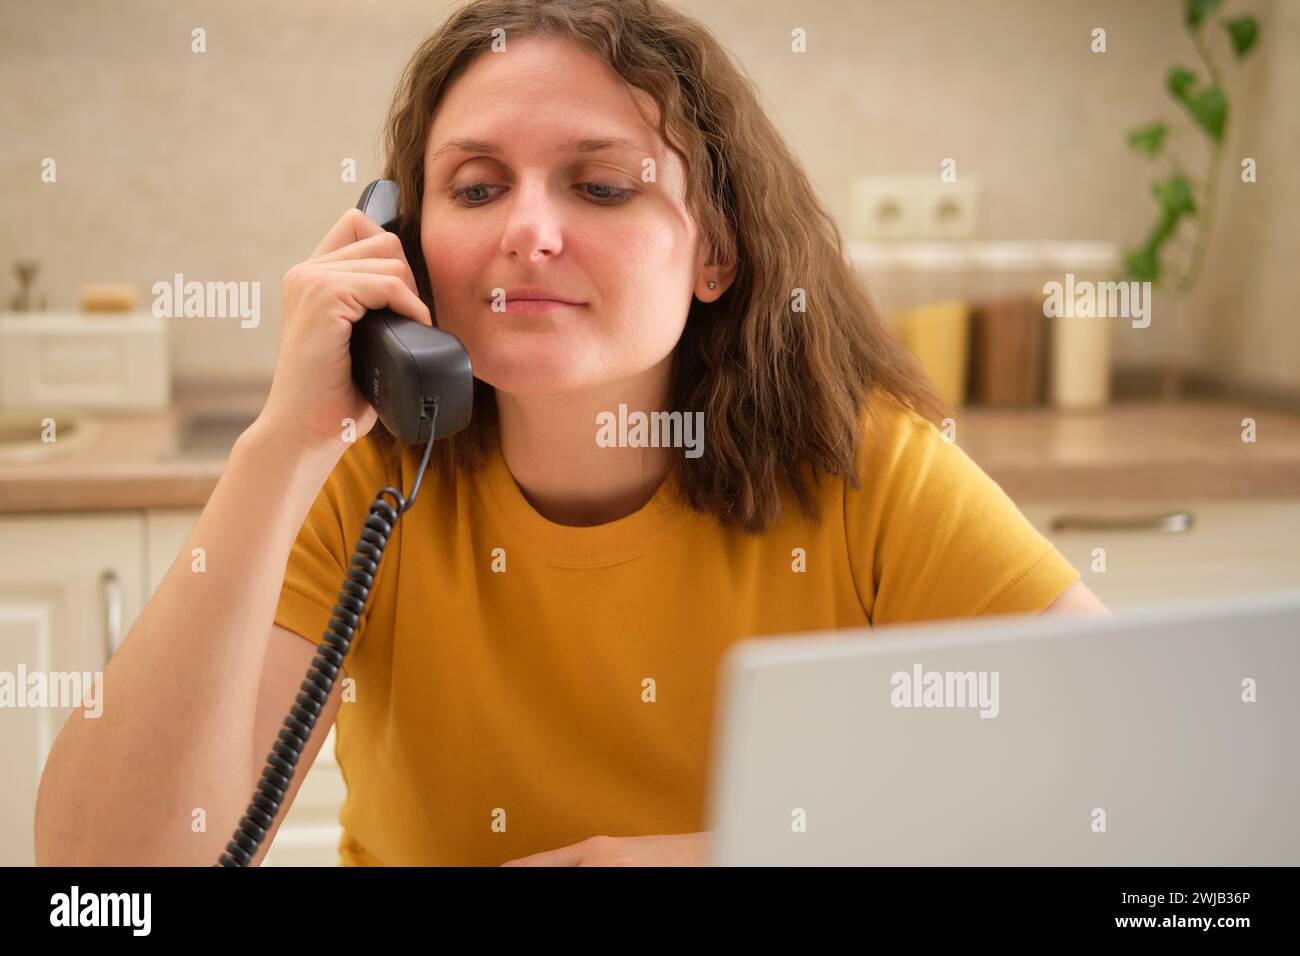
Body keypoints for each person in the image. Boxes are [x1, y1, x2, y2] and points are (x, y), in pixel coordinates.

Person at [35, 0, 1106, 869]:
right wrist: (280, 443)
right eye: (475, 187)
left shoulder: (866, 465)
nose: (526, 232)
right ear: (404, 240)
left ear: (716, 255)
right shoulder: (354, 478)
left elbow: (1130, 782)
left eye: (599, 186)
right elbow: (103, 881)